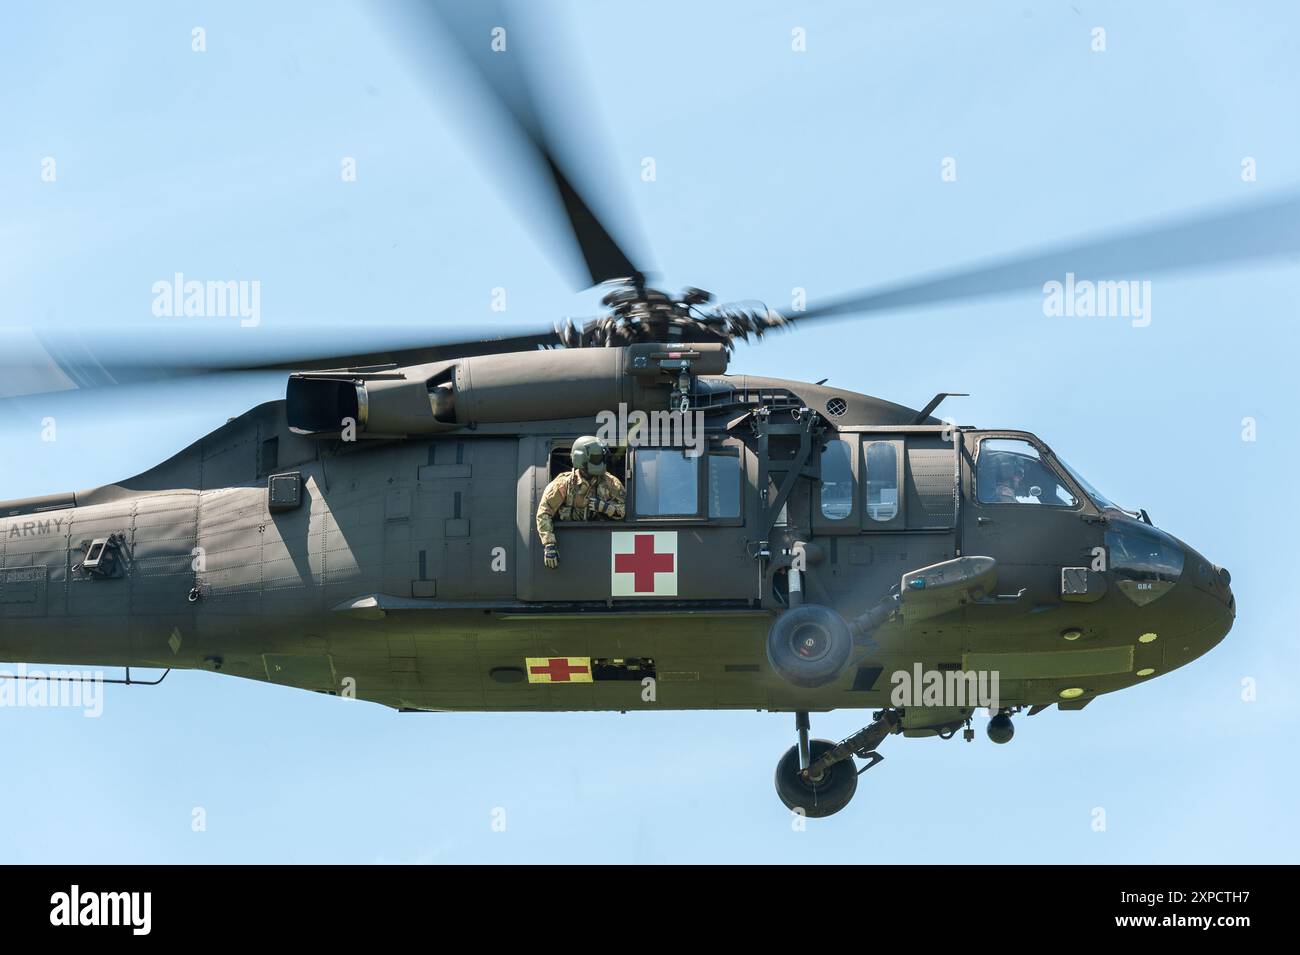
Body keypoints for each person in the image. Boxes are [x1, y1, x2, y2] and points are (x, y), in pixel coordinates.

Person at [536, 436, 626, 569]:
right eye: (596, 458)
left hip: (601, 546)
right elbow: (544, 513)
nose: (600, 462)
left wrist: (605, 508)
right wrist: (549, 544)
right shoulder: (563, 484)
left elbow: (623, 511)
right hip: (572, 548)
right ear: (581, 459)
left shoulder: (611, 483)